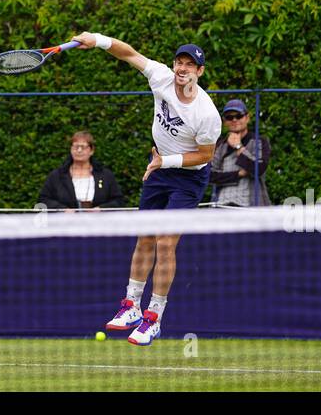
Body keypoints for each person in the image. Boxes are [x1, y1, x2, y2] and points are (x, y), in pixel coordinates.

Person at [72, 33, 221, 347]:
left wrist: (165, 160)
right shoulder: (162, 78)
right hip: (159, 169)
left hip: (188, 178)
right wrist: (95, 39)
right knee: (145, 237)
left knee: (166, 243)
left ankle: (153, 318)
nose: (182, 69)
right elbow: (128, 53)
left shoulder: (207, 115)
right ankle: (131, 305)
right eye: (179, 62)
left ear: (200, 72)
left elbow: (206, 156)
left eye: (190, 65)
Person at [38, 131, 125, 211]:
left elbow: (118, 201)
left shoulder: (105, 175)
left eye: (83, 147)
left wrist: (101, 209)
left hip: (99, 225)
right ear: (71, 149)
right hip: (65, 225)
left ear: (91, 150)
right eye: (76, 147)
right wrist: (62, 210)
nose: (79, 150)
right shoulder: (57, 176)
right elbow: (43, 200)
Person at [209, 99, 271, 207]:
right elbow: (210, 175)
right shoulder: (219, 144)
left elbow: (259, 169)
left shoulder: (259, 141)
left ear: (247, 118)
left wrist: (238, 147)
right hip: (221, 205)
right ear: (224, 121)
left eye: (239, 116)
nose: (234, 120)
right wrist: (239, 174)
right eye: (229, 117)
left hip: (251, 207)